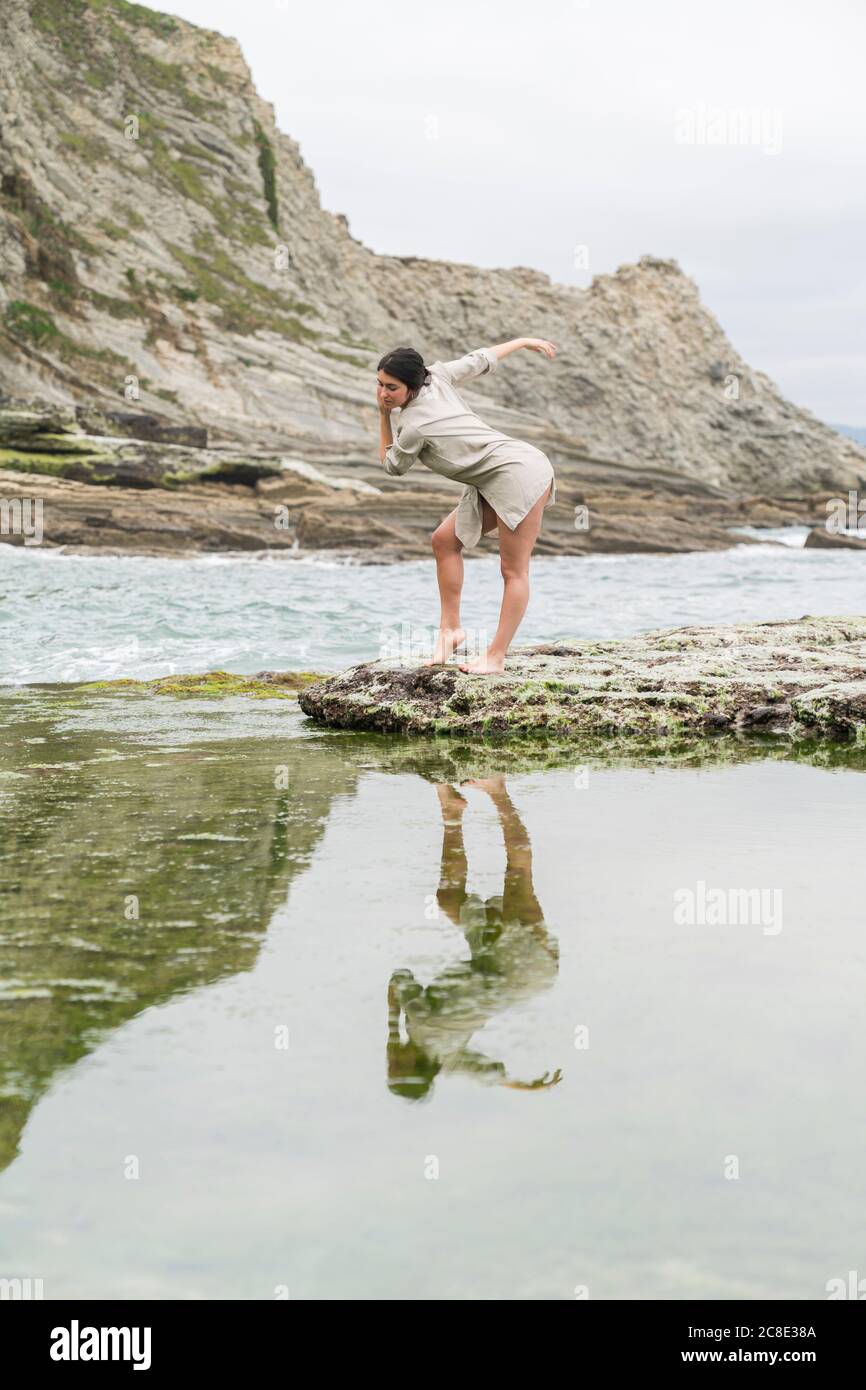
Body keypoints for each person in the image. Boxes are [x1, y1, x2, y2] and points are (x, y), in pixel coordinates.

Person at [376, 339, 557, 674]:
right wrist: (523, 342)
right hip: (493, 476)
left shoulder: (414, 424)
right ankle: (451, 631)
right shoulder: (438, 376)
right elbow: (480, 359)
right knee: (444, 541)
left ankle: (496, 657)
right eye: (380, 385)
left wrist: (383, 417)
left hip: (519, 473)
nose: (384, 393)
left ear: (414, 385)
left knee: (513, 570)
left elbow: (392, 465)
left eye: (392, 388)